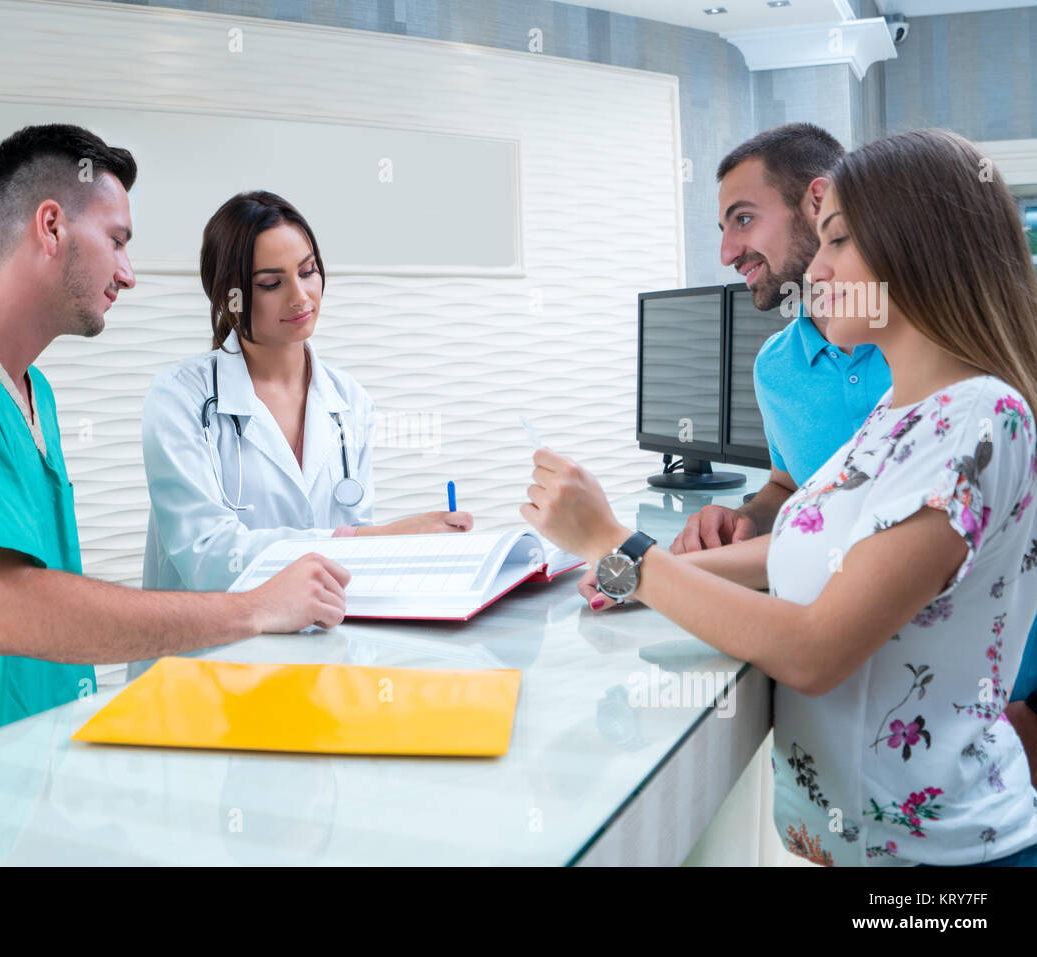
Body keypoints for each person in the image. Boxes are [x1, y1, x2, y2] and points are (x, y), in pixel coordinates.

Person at [524, 128, 1037, 866]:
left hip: (946, 865)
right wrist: (644, 576)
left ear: (913, 246)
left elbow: (815, 650)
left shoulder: (979, 417)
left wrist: (619, 545)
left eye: (838, 240)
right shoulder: (900, 410)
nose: (818, 269)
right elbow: (811, 548)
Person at [0, 126, 350, 789]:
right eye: (118, 240)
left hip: (22, 782)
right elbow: (8, 609)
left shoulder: (31, 392)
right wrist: (255, 608)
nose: (127, 272)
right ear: (51, 227)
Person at [130, 191, 473, 679]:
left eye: (308, 271)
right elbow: (210, 557)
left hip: (317, 663)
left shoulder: (348, 401)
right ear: (230, 296)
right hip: (204, 669)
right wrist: (370, 539)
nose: (300, 296)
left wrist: (407, 549)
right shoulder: (181, 399)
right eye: (272, 283)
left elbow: (348, 563)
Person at [672, 123, 891, 553]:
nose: (727, 254)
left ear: (819, 203)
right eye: (724, 229)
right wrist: (741, 520)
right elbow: (789, 484)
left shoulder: (937, 346)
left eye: (745, 219)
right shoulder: (775, 367)